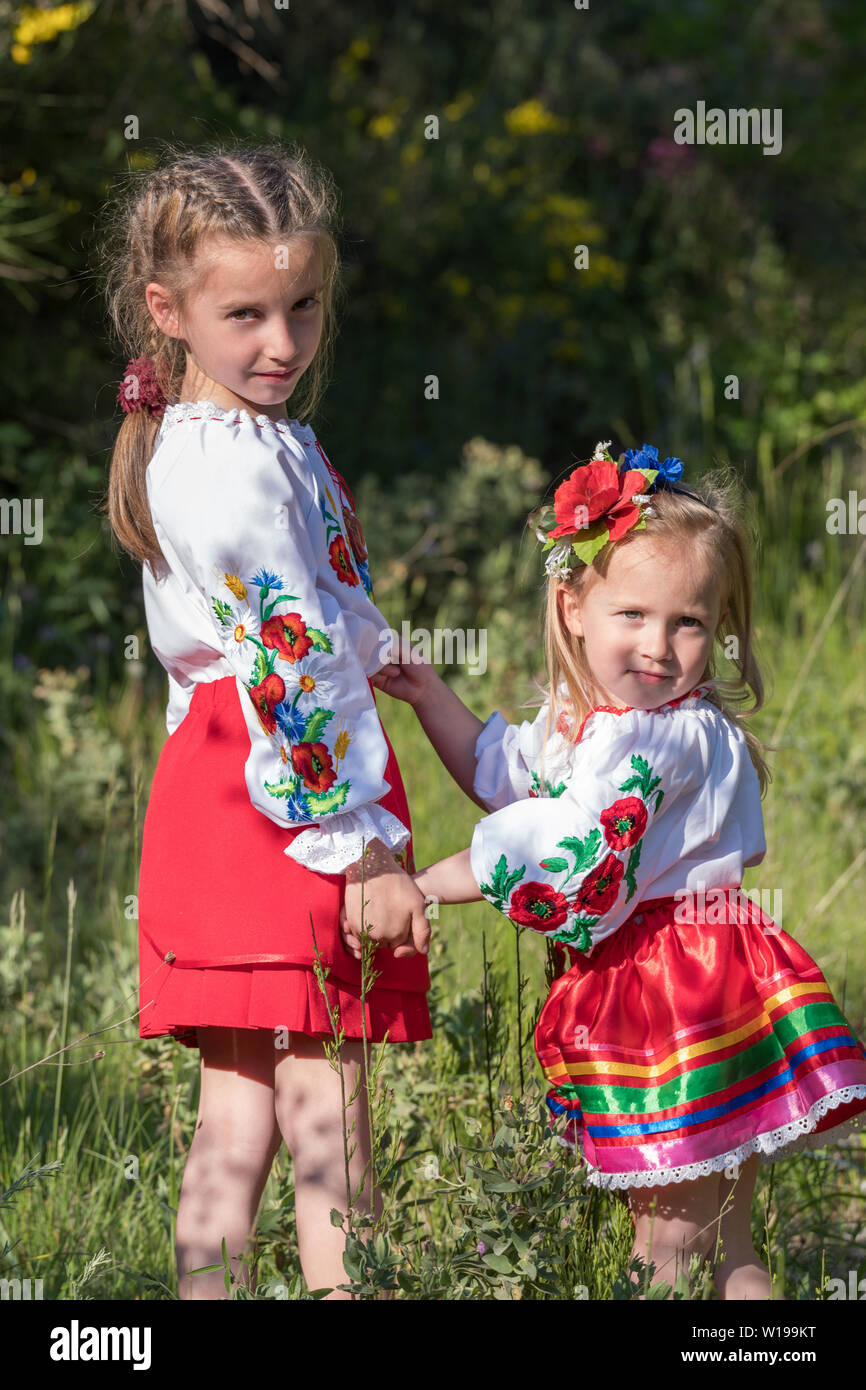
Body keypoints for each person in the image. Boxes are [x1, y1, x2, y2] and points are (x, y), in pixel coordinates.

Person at [359, 440, 866, 1300]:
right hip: (707, 974)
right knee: (719, 1235)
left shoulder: (660, 733)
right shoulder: (603, 719)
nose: (660, 646)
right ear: (573, 610)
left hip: (674, 991)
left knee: (666, 1242)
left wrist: (427, 883)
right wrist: (428, 695)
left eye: (689, 622)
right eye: (633, 615)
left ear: (720, 629)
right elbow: (509, 774)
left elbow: (568, 848)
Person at [97, 141, 432, 1300]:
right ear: (168, 311)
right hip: (282, 803)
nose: (283, 343)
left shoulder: (234, 439)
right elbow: (290, 672)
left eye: (303, 305)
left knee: (238, 1120)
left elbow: (314, 625)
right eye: (246, 313)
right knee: (325, 1114)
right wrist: (367, 853)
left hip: (219, 791)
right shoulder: (231, 466)